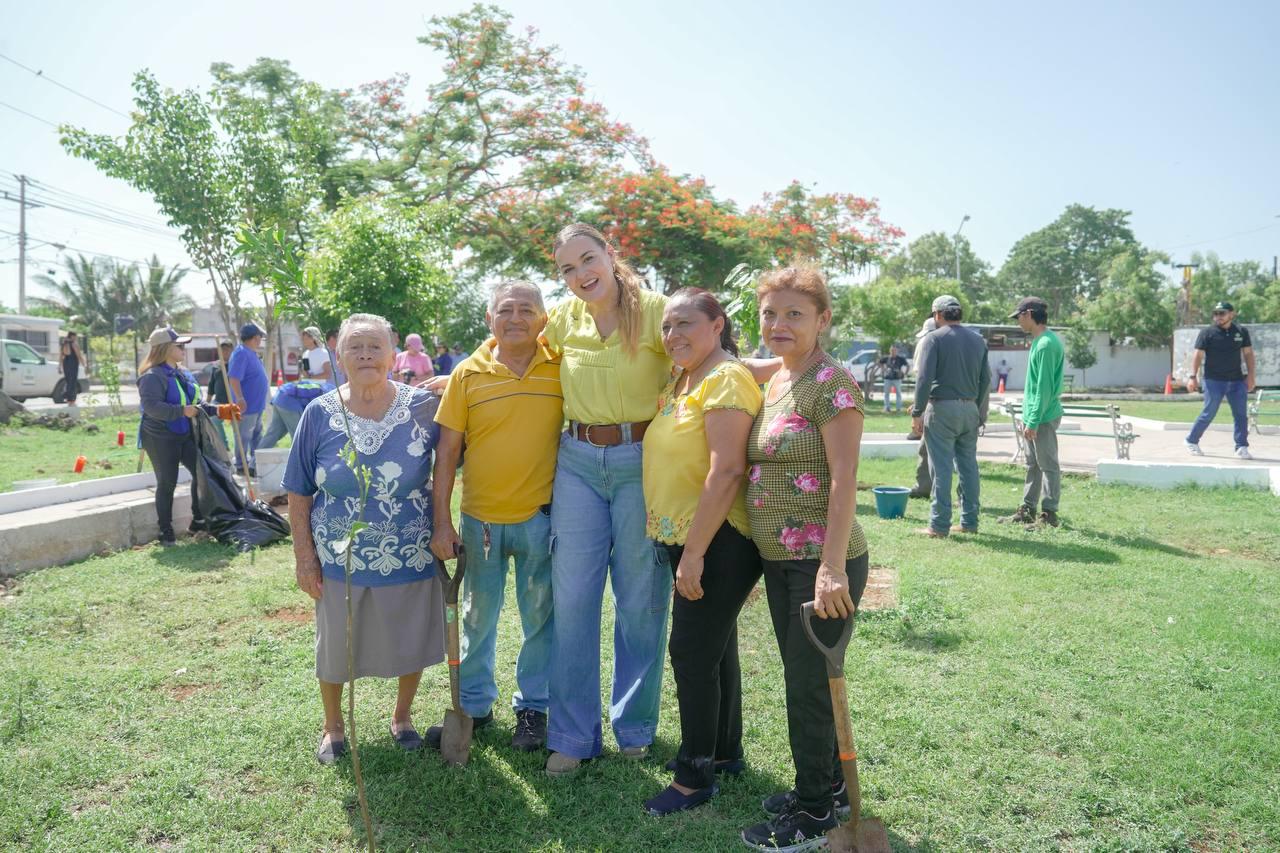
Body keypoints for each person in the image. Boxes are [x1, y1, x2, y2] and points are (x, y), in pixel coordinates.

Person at [740, 266, 868, 851]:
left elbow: (845, 479)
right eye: (770, 313)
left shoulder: (832, 382)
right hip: (782, 560)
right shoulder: (780, 377)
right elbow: (737, 363)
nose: (779, 324)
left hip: (822, 563)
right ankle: (830, 788)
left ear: (823, 320)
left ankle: (815, 812)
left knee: (808, 686)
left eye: (795, 314)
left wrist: (831, 568)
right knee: (803, 679)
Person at [282, 313, 444, 765]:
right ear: (339, 357)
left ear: (394, 356)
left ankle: (402, 717)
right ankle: (333, 726)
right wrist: (304, 558)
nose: (366, 354)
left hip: (410, 547)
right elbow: (298, 489)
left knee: (410, 633)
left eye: (376, 346)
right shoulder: (318, 413)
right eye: (355, 346)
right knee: (336, 641)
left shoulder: (424, 407)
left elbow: (455, 462)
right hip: (339, 555)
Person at [640, 289, 762, 817]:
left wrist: (694, 554)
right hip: (689, 537)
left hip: (717, 539)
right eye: (667, 326)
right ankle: (724, 753)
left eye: (685, 324)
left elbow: (727, 469)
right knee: (715, 648)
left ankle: (694, 778)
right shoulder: (684, 377)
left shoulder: (725, 378)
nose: (673, 335)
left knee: (690, 652)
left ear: (717, 325)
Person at [428, 281, 561, 754]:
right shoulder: (467, 374)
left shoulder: (561, 367)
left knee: (540, 618)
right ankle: (474, 706)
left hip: (541, 517)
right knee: (477, 617)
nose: (516, 318)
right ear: (490, 320)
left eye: (527, 309)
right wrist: (441, 523)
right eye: (506, 310)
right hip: (479, 521)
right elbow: (447, 454)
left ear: (543, 319)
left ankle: (534, 709)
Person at [137, 327, 237, 545]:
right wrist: (181, 411)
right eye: (179, 346)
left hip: (185, 433)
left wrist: (220, 410)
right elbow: (152, 407)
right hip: (160, 437)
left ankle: (198, 521)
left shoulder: (183, 373)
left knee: (202, 473)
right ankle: (165, 531)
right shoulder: (152, 377)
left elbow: (196, 405)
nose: (184, 349)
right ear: (164, 348)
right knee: (167, 483)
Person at [911, 294, 990, 538]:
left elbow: (924, 379)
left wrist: (917, 412)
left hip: (942, 409)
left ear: (937, 314)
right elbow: (986, 379)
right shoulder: (978, 340)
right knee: (968, 467)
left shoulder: (934, 339)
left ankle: (938, 525)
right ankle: (969, 521)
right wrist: (977, 409)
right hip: (970, 409)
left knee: (941, 468)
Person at [1000, 297, 1064, 529]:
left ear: (1028, 314)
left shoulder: (1046, 344)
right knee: (1033, 465)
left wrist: (1034, 420)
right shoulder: (1039, 341)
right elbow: (1035, 386)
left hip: (1043, 416)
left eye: (1018, 316)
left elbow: (1043, 388)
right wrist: (1026, 418)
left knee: (1048, 465)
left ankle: (1049, 514)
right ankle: (1028, 509)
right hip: (1035, 415)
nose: (1018, 321)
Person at [1185, 301, 1256, 460]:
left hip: (1237, 381)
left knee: (1241, 415)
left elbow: (1248, 354)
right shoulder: (1207, 333)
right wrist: (1192, 377)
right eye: (1215, 313)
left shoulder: (1241, 332)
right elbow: (1197, 355)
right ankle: (1191, 441)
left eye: (1222, 313)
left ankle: (1241, 447)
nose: (1218, 316)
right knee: (1209, 412)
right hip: (1213, 380)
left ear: (1232, 314)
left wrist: (1251, 376)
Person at [226, 323, 269, 477]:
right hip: (247, 406)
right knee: (244, 436)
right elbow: (234, 378)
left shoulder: (252, 353)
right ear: (255, 337)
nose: (260, 340)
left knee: (256, 436)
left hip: (256, 406)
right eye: (259, 337)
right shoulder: (241, 353)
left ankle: (254, 465)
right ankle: (240, 465)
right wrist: (239, 397)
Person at [907, 317, 936, 499]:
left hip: (933, 404)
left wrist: (919, 407)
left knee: (926, 447)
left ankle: (924, 487)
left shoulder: (928, 343)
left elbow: (923, 379)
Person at [878, 346, 909, 413]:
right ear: (890, 351)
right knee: (886, 394)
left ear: (897, 351)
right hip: (888, 378)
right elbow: (879, 362)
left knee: (898, 393)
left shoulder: (900, 358)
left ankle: (898, 408)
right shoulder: (887, 358)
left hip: (897, 378)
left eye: (894, 350)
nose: (893, 352)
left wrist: (904, 374)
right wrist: (884, 369)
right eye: (892, 350)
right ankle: (887, 408)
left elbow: (907, 365)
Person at [60, 331, 86, 405]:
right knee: (73, 382)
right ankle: (72, 400)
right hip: (73, 363)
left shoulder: (64, 344)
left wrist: (60, 366)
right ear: (72, 336)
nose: (76, 338)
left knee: (68, 381)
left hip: (65, 363)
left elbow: (61, 356)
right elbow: (79, 355)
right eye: (75, 336)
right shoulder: (74, 344)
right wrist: (84, 364)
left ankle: (68, 399)